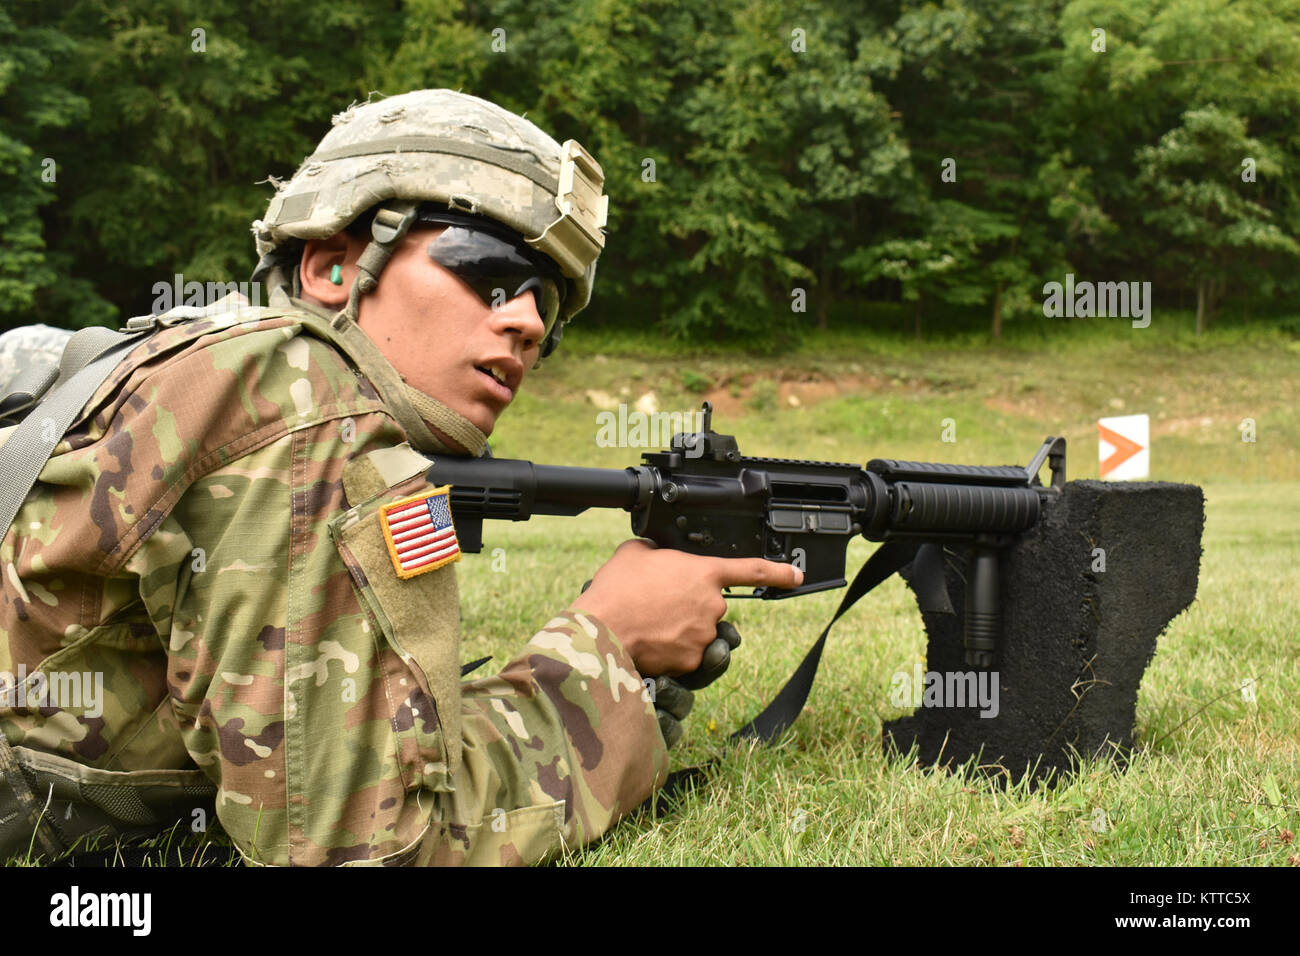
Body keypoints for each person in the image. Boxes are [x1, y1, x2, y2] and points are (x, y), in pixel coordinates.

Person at [0, 89, 801, 865]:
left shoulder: (184, 366)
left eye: (547, 303)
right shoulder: (299, 398)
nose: (524, 320)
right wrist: (607, 649)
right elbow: (362, 846)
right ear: (332, 268)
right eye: (486, 269)